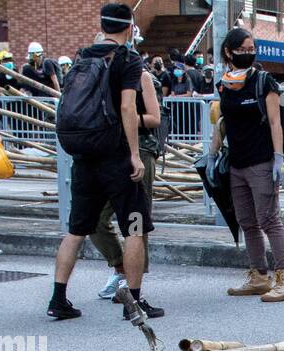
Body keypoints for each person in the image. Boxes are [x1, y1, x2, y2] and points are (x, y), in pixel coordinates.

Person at [48, 3, 157, 322]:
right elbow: (127, 108)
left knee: (76, 230)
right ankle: (134, 302)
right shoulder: (128, 58)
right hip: (116, 158)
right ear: (129, 28)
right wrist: (135, 155)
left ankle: (58, 299)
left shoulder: (82, 56)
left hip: (84, 158)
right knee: (134, 227)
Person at [209, 27, 284, 302]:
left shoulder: (264, 82)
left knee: (269, 219)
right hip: (236, 162)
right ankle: (259, 275)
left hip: (262, 161)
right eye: (243, 50)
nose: (248, 54)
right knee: (247, 221)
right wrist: (212, 156)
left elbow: (275, 122)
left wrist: (279, 160)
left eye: (252, 50)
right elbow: (222, 123)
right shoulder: (224, 84)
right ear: (229, 51)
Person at [91, 60, 165, 309]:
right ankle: (120, 267)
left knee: (137, 221)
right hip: (108, 155)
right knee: (94, 219)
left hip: (141, 153)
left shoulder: (142, 76)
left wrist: (128, 117)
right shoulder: (99, 77)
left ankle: (134, 287)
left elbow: (155, 118)